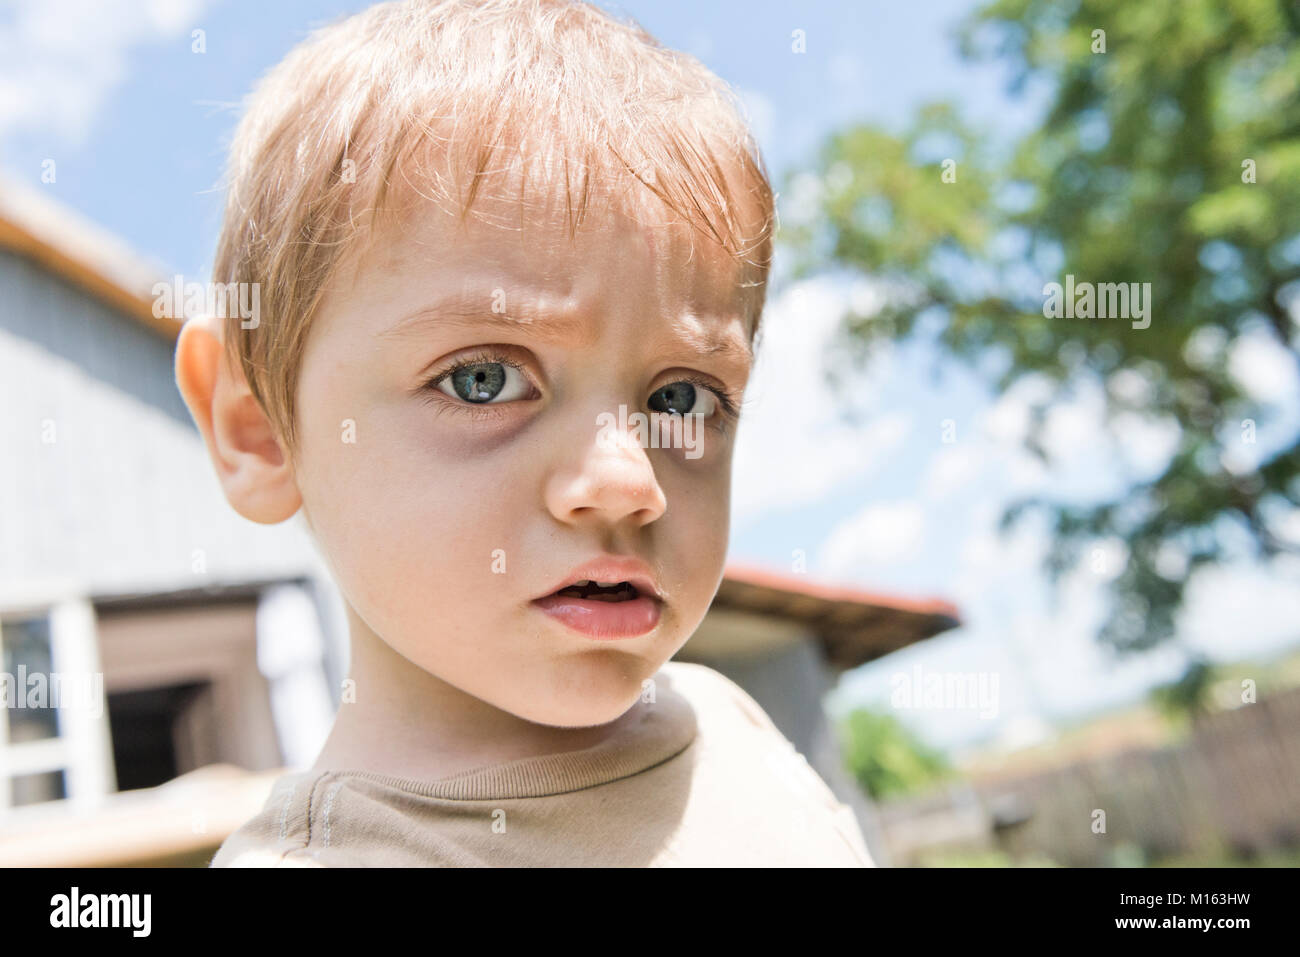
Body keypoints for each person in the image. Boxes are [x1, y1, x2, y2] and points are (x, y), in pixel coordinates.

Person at [175, 0, 873, 867]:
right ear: (259, 428)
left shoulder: (729, 723)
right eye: (485, 379)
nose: (627, 480)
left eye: (683, 397)